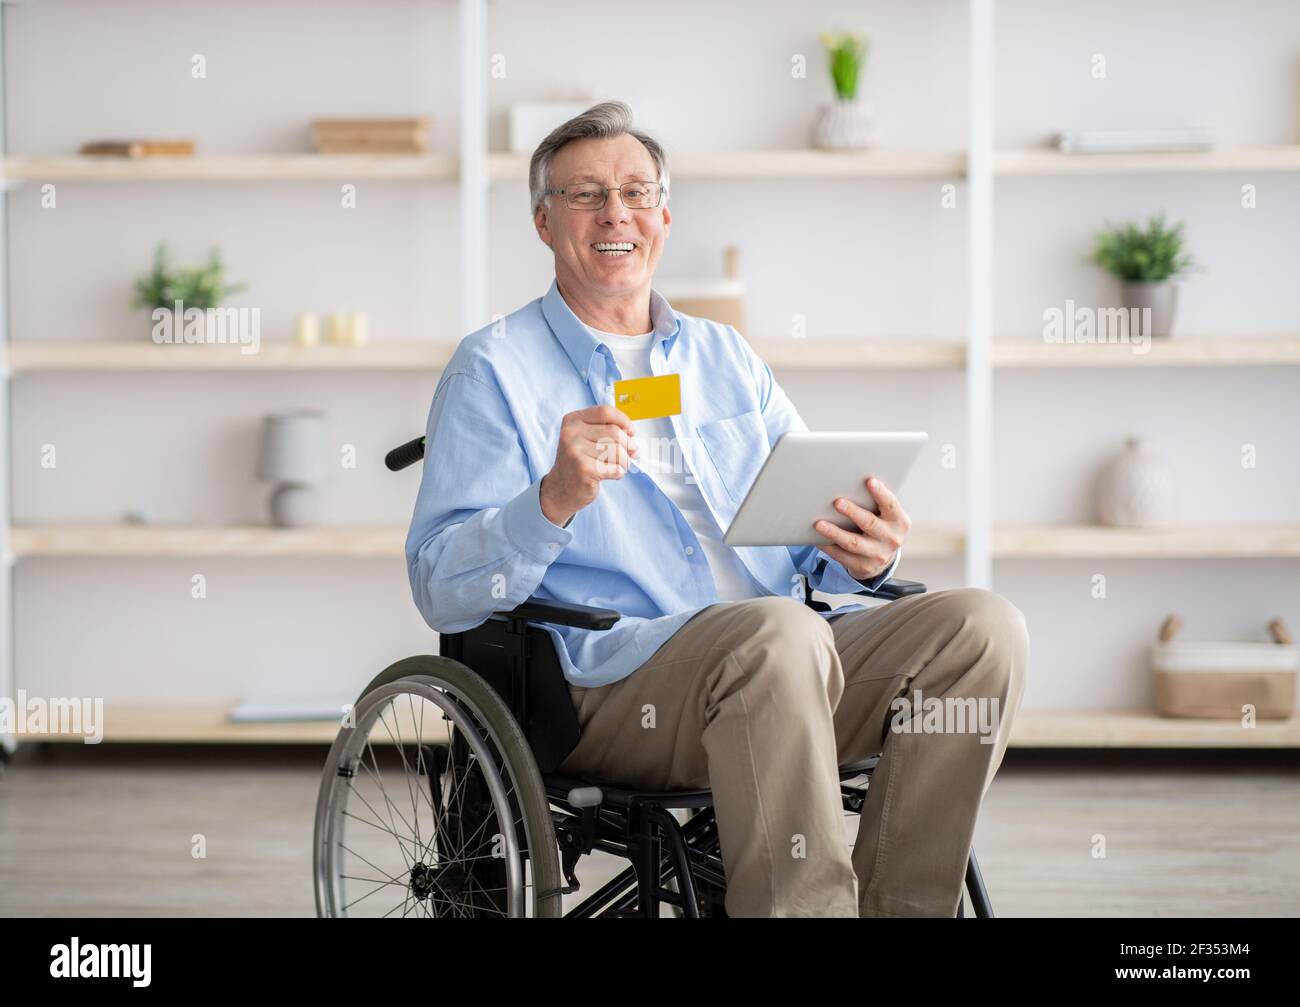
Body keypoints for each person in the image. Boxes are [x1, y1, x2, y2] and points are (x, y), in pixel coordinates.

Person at [406, 100, 1028, 917]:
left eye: (635, 191)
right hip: (615, 686)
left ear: (663, 216)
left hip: (790, 667)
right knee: (777, 633)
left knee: (983, 627)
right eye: (586, 195)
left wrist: (859, 549)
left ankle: (903, 908)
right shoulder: (493, 370)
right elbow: (440, 584)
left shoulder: (722, 356)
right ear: (543, 222)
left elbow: (808, 525)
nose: (615, 212)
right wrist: (551, 500)